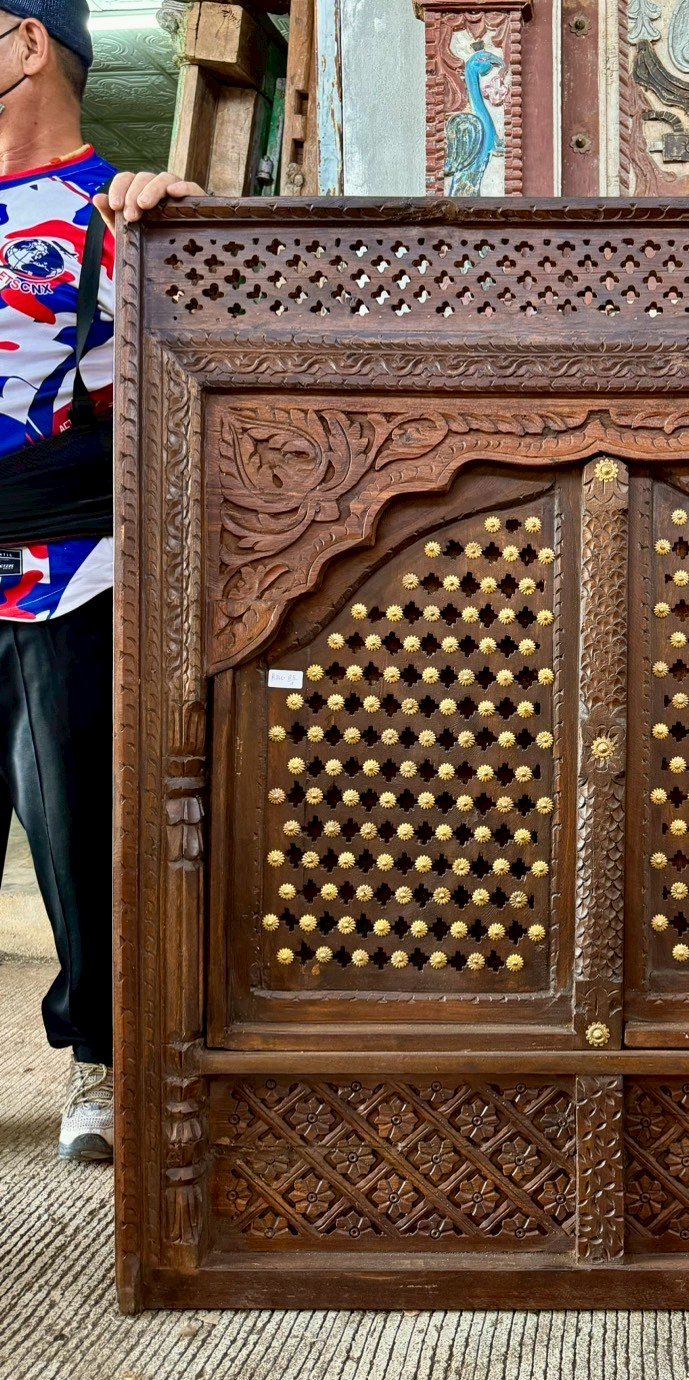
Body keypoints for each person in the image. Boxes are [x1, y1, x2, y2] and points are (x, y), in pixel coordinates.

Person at [0, 0, 202, 1160]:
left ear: (29, 45)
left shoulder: (118, 219)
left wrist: (195, 239)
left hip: (71, 566)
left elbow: (202, 370)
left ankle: (99, 1063)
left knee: (80, 827)